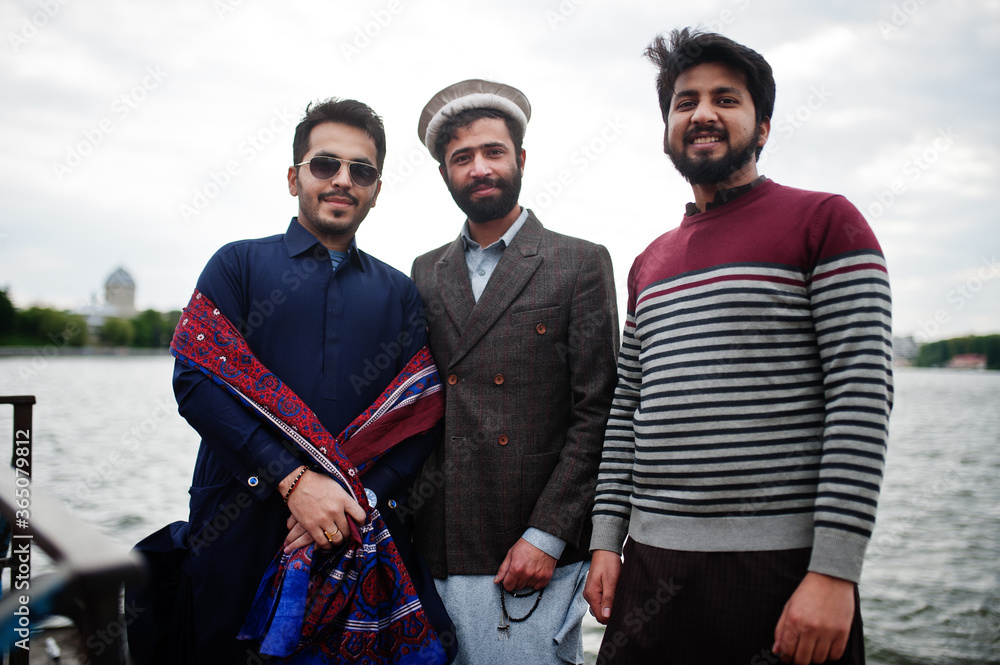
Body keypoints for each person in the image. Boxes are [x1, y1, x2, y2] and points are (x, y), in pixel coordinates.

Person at [583, 29, 893, 665]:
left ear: (764, 125)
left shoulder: (825, 221)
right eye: (684, 100)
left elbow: (860, 397)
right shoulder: (649, 262)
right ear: (668, 125)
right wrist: (605, 541)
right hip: (650, 568)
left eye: (727, 99)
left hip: (780, 571)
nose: (702, 113)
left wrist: (834, 573)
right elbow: (624, 414)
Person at [128, 98, 452, 664]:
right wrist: (293, 482)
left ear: (377, 189)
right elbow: (195, 382)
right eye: (325, 164)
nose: (342, 180)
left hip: (356, 536)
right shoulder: (237, 266)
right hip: (236, 527)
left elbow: (419, 418)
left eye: (362, 170)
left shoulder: (399, 293)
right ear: (293, 176)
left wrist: (354, 502)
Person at [408, 79, 620, 664]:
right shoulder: (425, 272)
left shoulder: (579, 261)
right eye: (462, 158)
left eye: (493, 152)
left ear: (520, 159)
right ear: (447, 174)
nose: (480, 168)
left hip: (531, 551)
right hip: (439, 542)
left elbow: (597, 411)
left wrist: (548, 534)